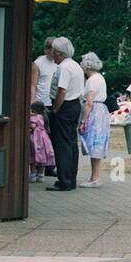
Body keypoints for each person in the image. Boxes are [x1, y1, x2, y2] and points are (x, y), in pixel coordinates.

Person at [45, 37, 84, 192]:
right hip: (74, 105)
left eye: (54, 52)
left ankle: (64, 180)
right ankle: (71, 178)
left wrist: (55, 109)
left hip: (65, 106)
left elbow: (62, 90)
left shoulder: (64, 67)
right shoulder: (76, 66)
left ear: (59, 53)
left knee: (62, 144)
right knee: (71, 143)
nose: (52, 55)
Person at [78, 52, 110, 188]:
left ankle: (95, 177)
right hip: (100, 111)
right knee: (96, 143)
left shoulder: (92, 80)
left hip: (95, 112)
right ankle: (94, 177)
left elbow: (89, 101)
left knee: (94, 142)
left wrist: (82, 120)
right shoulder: (99, 78)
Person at [30, 37, 60, 177]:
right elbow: (33, 85)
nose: (52, 53)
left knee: (52, 136)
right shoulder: (38, 63)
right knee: (40, 137)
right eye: (50, 50)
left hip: (53, 102)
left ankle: (50, 165)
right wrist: (32, 103)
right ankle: (38, 165)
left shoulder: (59, 63)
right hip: (41, 104)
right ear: (46, 49)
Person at [29, 102, 54, 183]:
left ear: (34, 110)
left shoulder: (34, 117)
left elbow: (32, 126)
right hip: (44, 139)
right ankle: (41, 175)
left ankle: (33, 174)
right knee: (43, 158)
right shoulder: (44, 116)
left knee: (32, 156)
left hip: (35, 139)